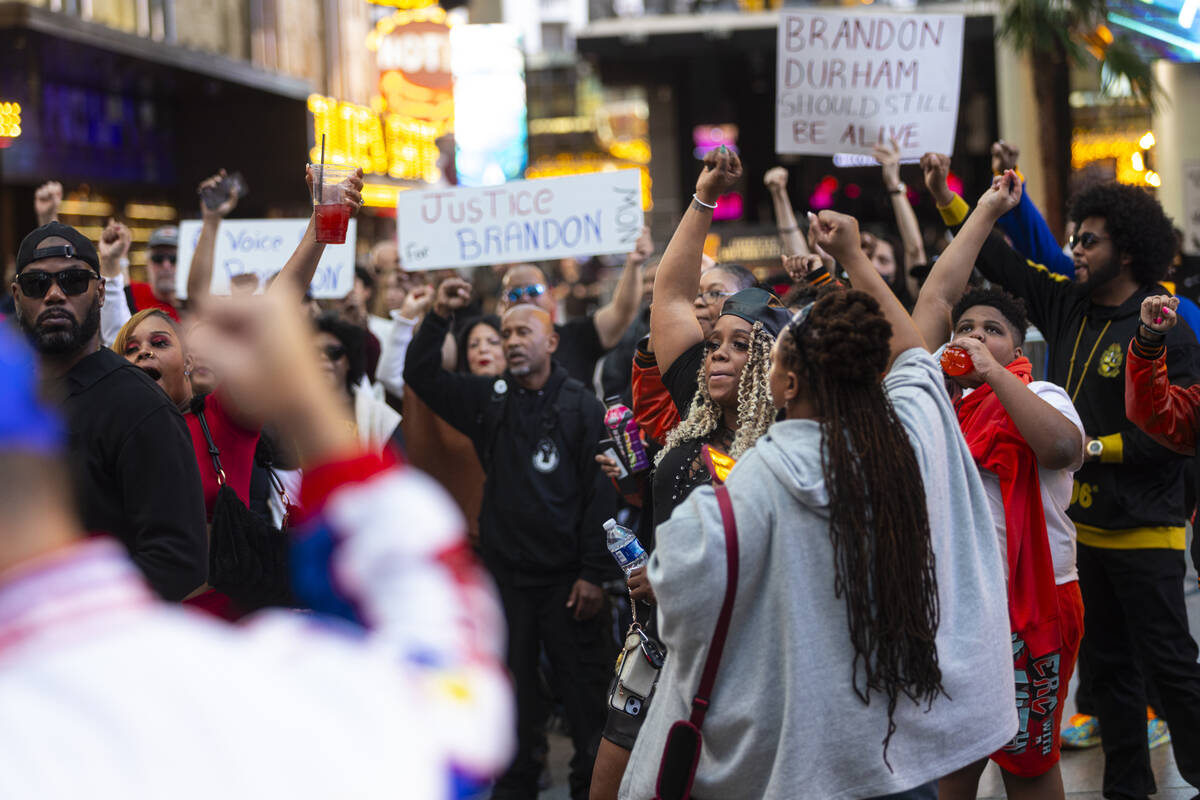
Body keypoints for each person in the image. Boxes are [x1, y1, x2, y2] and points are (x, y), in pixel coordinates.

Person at [0, 292, 514, 797]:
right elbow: (452, 710)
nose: (144, 356)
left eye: (159, 343)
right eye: (132, 348)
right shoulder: (276, 698)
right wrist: (311, 414)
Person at [618, 210, 1015, 800]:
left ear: (785, 384)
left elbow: (679, 595)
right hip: (902, 751)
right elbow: (912, 353)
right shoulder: (912, 431)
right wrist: (853, 256)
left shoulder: (757, 483)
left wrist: (662, 576)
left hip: (809, 759)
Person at [925, 156, 1200, 799]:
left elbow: (1173, 433)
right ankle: (1127, 790)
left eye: (1088, 240)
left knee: (1171, 672)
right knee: (1108, 677)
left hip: (1144, 528)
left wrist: (1087, 450)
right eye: (1073, 237)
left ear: (1127, 251)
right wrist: (947, 198)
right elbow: (998, 263)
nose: (1074, 249)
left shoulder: (1166, 321)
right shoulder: (1068, 303)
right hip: (1080, 538)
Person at [405, 277, 617, 800]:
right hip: (507, 587)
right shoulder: (490, 400)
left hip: (570, 589)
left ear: (552, 341)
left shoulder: (582, 407)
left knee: (587, 712)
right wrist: (438, 315)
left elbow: (602, 496)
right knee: (512, 713)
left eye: (524, 332)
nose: (513, 341)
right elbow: (422, 376)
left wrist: (593, 574)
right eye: (506, 334)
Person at [913, 172, 1087, 799]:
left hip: (1038, 603)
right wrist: (983, 209)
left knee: (1029, 764)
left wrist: (992, 374)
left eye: (993, 330)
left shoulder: (1042, 394)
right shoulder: (935, 404)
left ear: (1019, 348)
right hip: (959, 605)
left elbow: (1062, 449)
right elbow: (932, 300)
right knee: (952, 763)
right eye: (966, 328)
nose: (975, 337)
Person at [10, 220, 207, 601]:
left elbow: (178, 559)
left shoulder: (141, 407)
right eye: (37, 284)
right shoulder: (14, 401)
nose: (54, 294)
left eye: (73, 281)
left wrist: (68, 607)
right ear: (17, 295)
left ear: (100, 292)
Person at [497, 230, 650, 384]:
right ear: (503, 303)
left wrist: (634, 264)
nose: (524, 297)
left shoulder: (577, 337)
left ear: (551, 296)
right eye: (514, 293)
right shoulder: (490, 344)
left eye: (533, 291)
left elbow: (621, 312)